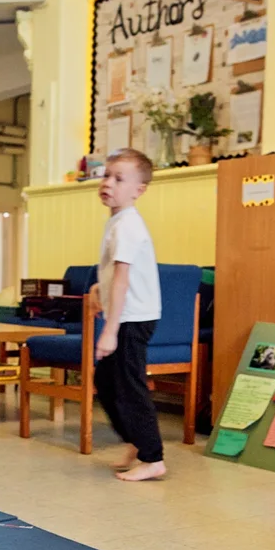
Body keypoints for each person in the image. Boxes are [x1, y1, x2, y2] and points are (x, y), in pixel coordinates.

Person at [90, 148, 166, 481]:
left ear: (139, 190)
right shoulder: (118, 221)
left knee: (129, 386)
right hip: (127, 315)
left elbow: (123, 278)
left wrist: (110, 330)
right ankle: (137, 441)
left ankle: (153, 458)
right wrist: (97, 290)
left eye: (119, 179)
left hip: (132, 319)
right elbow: (112, 273)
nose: (109, 183)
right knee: (105, 381)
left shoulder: (128, 226)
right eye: (107, 175)